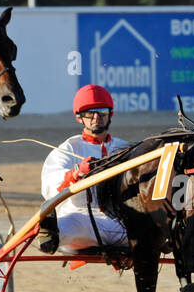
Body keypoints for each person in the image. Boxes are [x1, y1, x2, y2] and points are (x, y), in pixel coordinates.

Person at [38, 84, 130, 254]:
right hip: (82, 220)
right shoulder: (69, 148)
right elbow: (50, 186)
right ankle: (50, 235)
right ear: (79, 118)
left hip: (119, 222)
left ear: (111, 114)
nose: (96, 117)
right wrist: (77, 173)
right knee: (71, 222)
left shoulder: (124, 148)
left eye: (102, 111)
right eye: (89, 112)